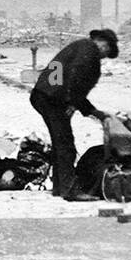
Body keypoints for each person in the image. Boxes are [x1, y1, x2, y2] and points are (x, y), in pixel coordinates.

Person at [30, 29, 119, 200]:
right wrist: (75, 104)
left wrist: (86, 109)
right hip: (52, 99)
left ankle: (60, 187)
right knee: (65, 145)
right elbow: (75, 79)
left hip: (46, 95)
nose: (105, 53)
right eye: (107, 48)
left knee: (60, 142)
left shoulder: (82, 47)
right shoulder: (89, 50)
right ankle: (69, 190)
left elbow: (75, 82)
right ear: (100, 41)